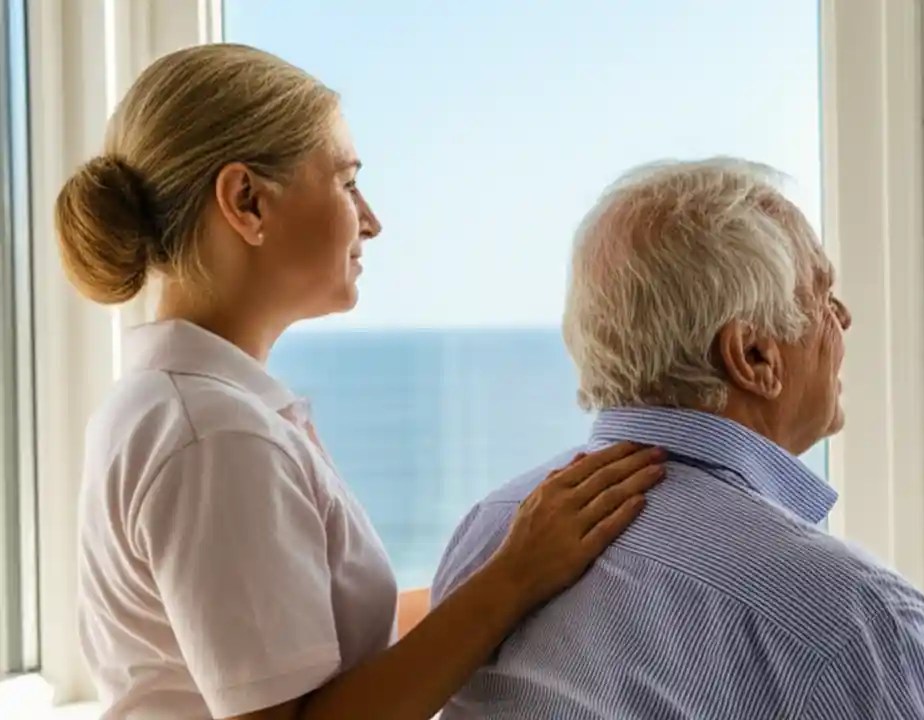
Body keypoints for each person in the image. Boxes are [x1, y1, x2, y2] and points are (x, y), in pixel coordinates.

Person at [59, 43, 665, 720]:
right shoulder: (217, 437)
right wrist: (514, 576)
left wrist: (525, 569)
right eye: (347, 182)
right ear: (246, 201)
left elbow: (326, 653)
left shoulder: (176, 405)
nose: (371, 220)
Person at [431, 158, 924, 719]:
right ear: (754, 357)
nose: (845, 318)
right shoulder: (854, 617)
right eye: (823, 298)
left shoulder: (489, 528)